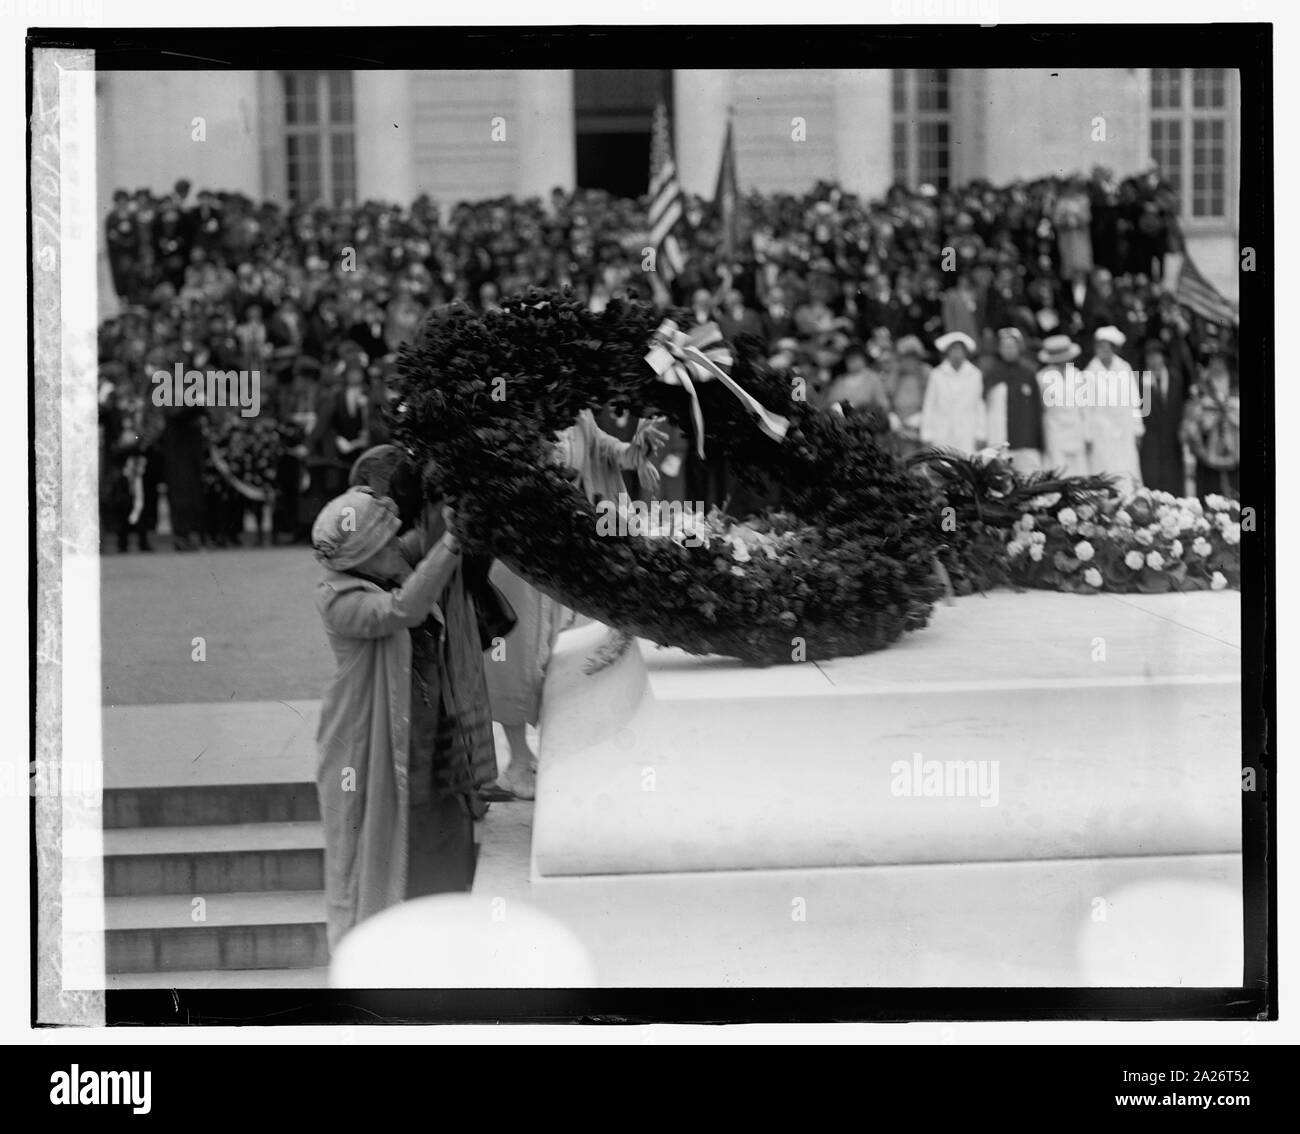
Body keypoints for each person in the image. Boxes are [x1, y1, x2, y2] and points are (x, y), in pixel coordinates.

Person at [312, 485, 490, 949]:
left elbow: (428, 532)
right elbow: (404, 609)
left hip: (430, 748)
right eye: (389, 541)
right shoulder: (339, 599)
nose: (401, 544)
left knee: (442, 844)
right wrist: (451, 542)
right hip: (372, 748)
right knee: (377, 856)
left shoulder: (384, 566)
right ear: (366, 553)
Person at [484, 409, 666, 800]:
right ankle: (516, 762)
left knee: (550, 649)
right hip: (517, 550)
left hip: (561, 553)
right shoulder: (514, 411)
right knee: (516, 653)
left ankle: (535, 751)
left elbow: (608, 452)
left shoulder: (577, 412)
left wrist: (637, 449)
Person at [1083, 325, 1144, 494]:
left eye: (1107, 347)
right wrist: (1087, 434)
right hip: (1100, 430)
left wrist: (1137, 427)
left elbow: (1134, 400)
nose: (1103, 351)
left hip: (1124, 429)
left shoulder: (1124, 368)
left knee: (1126, 469)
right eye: (1100, 347)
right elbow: (1086, 407)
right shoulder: (1089, 373)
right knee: (1103, 469)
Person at [983, 328, 1045, 472]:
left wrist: (1039, 441)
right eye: (1005, 347)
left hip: (1026, 441)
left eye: (1012, 346)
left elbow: (1037, 409)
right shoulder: (992, 375)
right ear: (999, 349)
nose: (1009, 350)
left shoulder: (1029, 374)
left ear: (1019, 348)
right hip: (1000, 442)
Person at [1180, 353, 1240, 500]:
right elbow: (1189, 425)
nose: (1217, 367)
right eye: (1213, 363)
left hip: (1235, 455)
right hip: (1208, 458)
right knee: (1210, 499)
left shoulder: (1235, 391)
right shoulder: (1199, 393)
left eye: (1220, 363)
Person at [921, 331, 985, 455]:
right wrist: (926, 434)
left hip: (967, 433)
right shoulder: (937, 374)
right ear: (947, 352)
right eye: (953, 349)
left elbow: (979, 405)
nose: (956, 353)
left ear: (965, 352)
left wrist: (980, 433)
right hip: (942, 432)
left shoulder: (975, 374)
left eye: (959, 350)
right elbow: (929, 405)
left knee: (966, 467)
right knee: (943, 467)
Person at [1137, 338, 1187, 495]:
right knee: (1152, 483)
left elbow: (1180, 407)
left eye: (1157, 355)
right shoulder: (1141, 381)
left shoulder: (1176, 378)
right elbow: (1143, 412)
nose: (1153, 360)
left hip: (1173, 440)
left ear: (1163, 357)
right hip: (1151, 442)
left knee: (1174, 484)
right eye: (1150, 356)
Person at [1036, 333, 1088, 476]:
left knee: (1079, 471)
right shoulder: (1041, 378)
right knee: (1058, 469)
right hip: (1054, 429)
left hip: (1076, 426)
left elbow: (1084, 406)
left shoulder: (1077, 375)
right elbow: (1039, 408)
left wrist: (1086, 432)